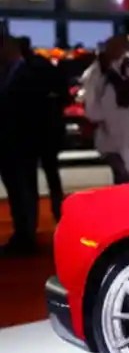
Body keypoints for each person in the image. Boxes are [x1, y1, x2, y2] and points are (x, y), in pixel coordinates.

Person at [0, 34, 42, 255]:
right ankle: (22, 234)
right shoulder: (7, 73)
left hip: (23, 144)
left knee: (24, 191)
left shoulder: (28, 73)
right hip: (9, 144)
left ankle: (26, 236)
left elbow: (33, 112)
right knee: (17, 192)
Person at [18, 37, 68, 221]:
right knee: (52, 173)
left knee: (28, 177)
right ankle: (58, 211)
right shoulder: (46, 66)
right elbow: (63, 95)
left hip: (29, 130)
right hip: (49, 128)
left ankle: (31, 216)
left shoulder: (22, 70)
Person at [82, 36, 129, 185]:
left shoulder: (126, 69)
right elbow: (91, 103)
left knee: (127, 173)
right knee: (122, 173)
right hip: (108, 131)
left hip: (128, 128)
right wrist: (101, 120)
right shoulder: (96, 73)